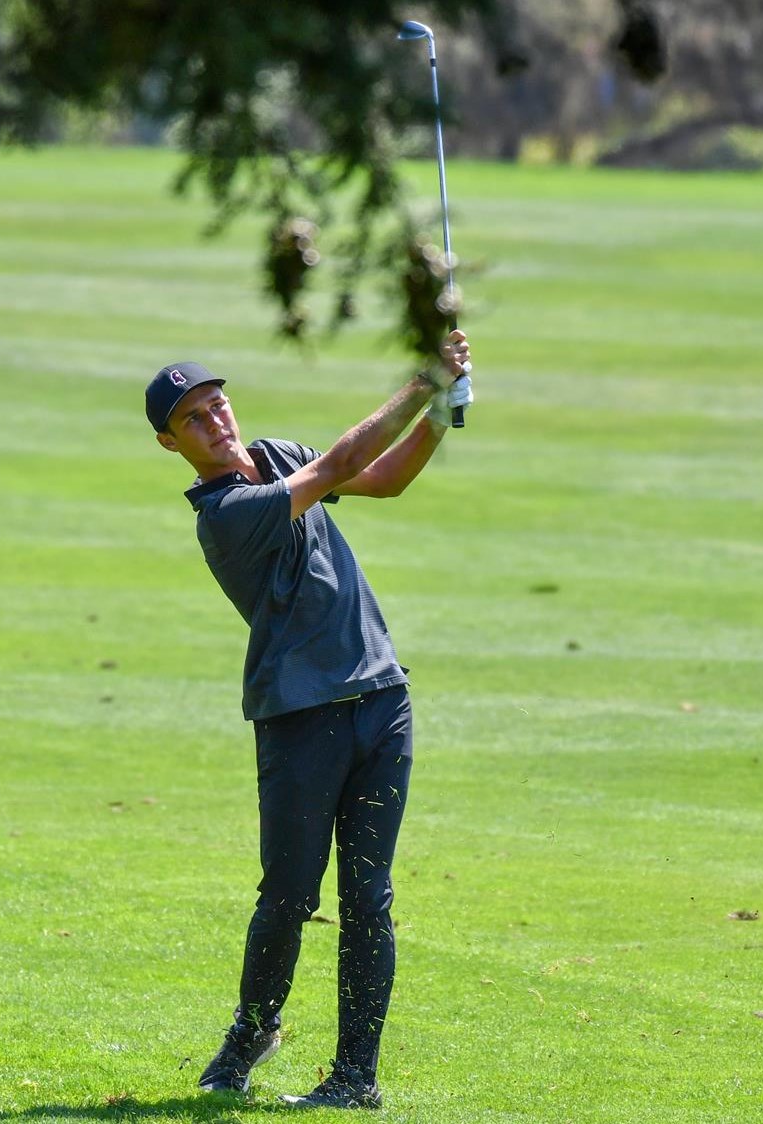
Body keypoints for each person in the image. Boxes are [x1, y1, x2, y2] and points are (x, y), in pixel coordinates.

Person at [143, 330, 473, 1110]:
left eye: (215, 401)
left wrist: (438, 418)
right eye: (193, 418)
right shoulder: (225, 513)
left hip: (382, 701)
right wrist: (424, 382)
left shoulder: (278, 453)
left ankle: (356, 1077)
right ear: (170, 442)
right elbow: (341, 466)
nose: (214, 419)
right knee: (289, 896)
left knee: (370, 896)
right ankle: (251, 1031)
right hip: (300, 719)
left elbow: (382, 480)